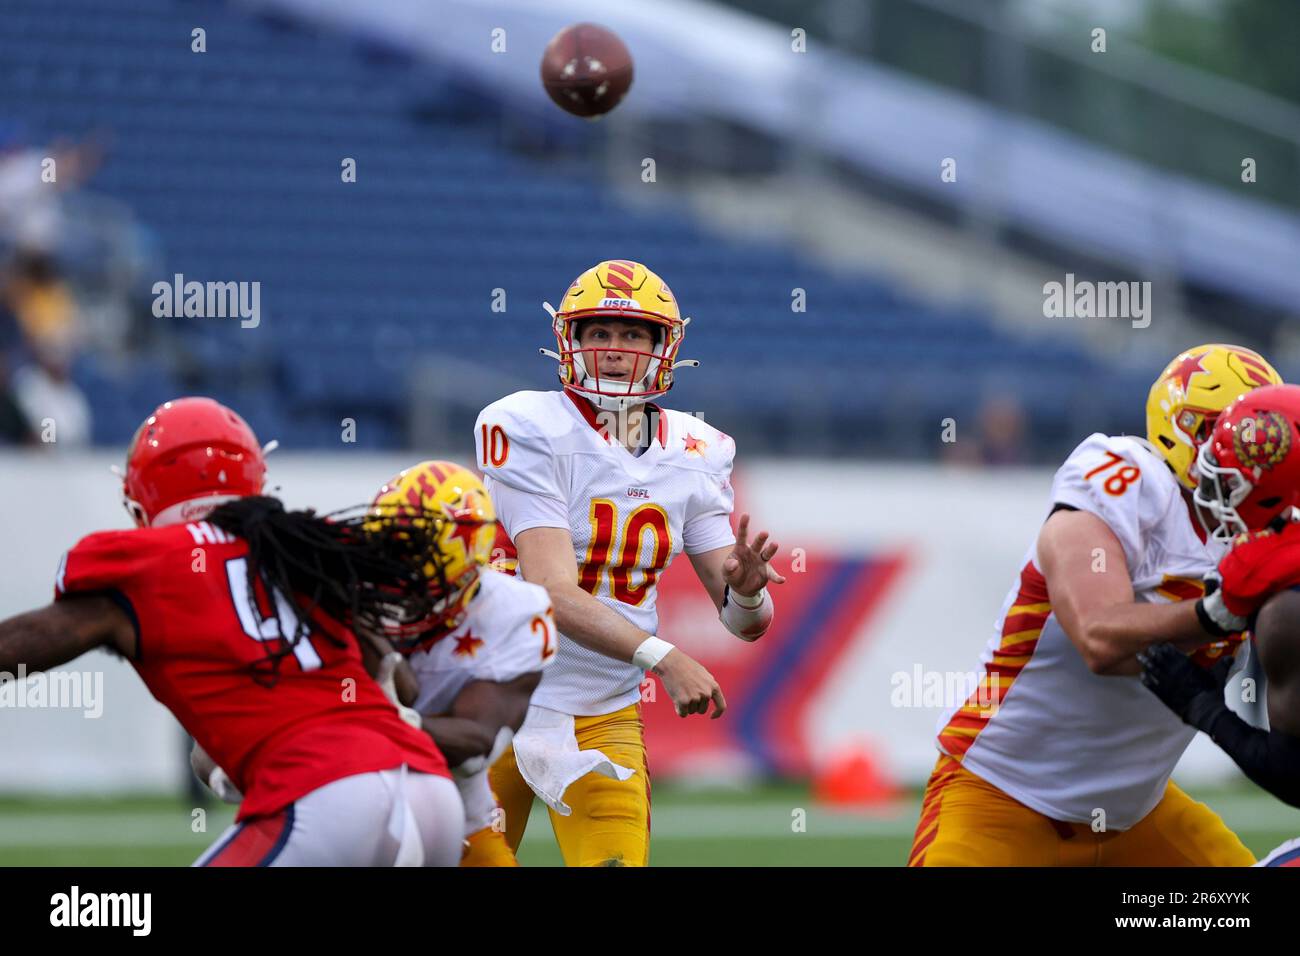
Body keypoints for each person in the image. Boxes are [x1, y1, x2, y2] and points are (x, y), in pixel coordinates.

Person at [0, 397, 464, 866]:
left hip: (330, 796)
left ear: (143, 498)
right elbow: (401, 684)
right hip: (430, 791)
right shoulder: (302, 549)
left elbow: (33, 638)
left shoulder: (147, 563)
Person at [910, 344, 1281, 866]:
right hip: (999, 798)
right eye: (1236, 438)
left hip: (1137, 816)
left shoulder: (1266, 532)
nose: (1255, 461)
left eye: (1266, 446)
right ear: (1186, 430)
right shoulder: (1126, 479)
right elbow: (1099, 637)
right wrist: (1216, 613)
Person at [474, 259, 784, 866]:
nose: (614, 349)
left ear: (663, 348)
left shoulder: (697, 450)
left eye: (632, 335)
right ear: (570, 340)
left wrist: (747, 591)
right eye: (599, 332)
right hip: (490, 707)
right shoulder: (527, 426)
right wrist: (665, 658)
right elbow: (551, 589)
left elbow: (746, 624)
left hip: (602, 712)